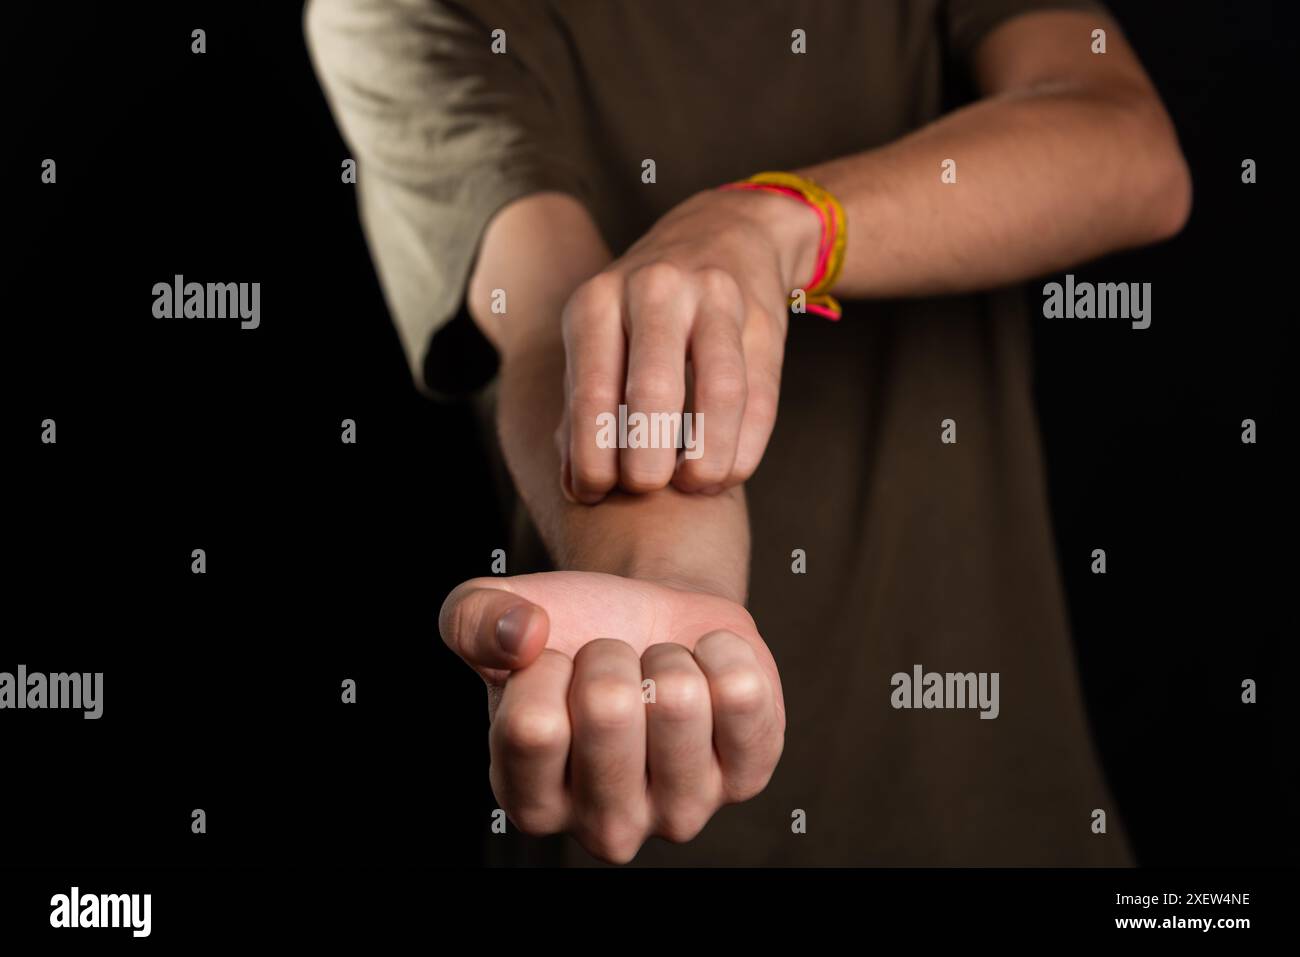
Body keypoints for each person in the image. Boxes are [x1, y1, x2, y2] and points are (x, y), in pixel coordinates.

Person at [306, 0, 1190, 865]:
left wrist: (773, 224)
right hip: (653, 798)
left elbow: (1126, 143)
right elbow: (547, 317)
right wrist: (670, 598)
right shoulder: (399, 11)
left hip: (1000, 799)